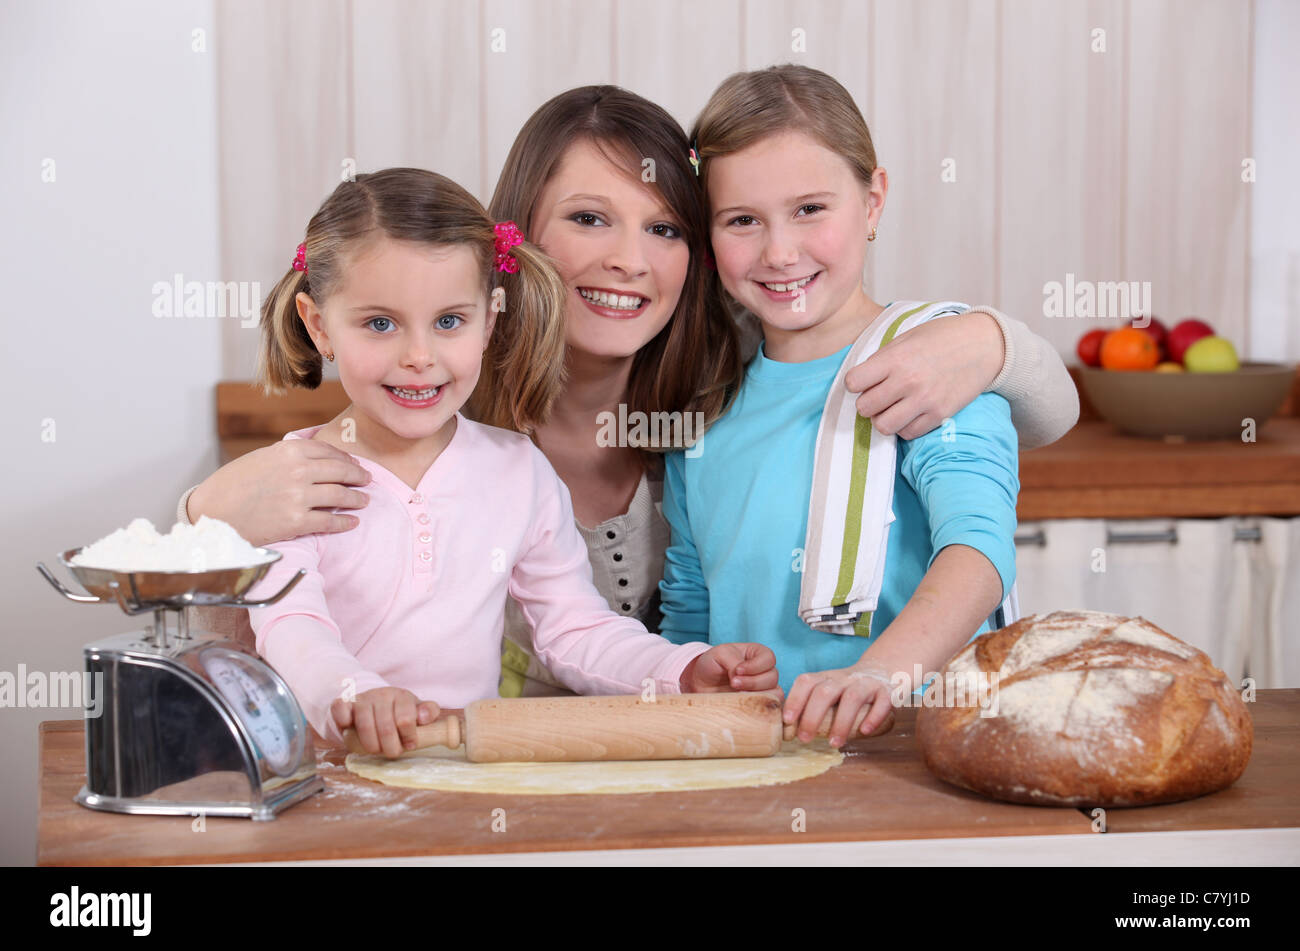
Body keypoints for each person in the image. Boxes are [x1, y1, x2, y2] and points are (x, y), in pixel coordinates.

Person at [177, 85, 1077, 703]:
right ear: (514, 241)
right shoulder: (422, 404)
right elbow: (235, 652)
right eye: (588, 219)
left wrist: (989, 337)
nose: (630, 261)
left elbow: (1035, 426)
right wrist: (200, 513)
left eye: (665, 228)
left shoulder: (720, 405)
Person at [241, 167, 776, 755]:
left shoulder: (517, 471)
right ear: (319, 326)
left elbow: (574, 632)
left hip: (463, 775)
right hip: (328, 781)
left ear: (489, 321)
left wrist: (680, 671)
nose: (419, 357)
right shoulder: (289, 483)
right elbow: (291, 626)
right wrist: (356, 694)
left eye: (449, 322)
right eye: (379, 323)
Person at [659, 65, 1023, 748]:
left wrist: (877, 676)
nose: (780, 251)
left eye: (810, 209)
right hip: (757, 758)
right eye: (742, 220)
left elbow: (978, 552)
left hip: (920, 750)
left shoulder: (933, 364)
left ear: (873, 200)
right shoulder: (706, 401)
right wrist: (690, 676)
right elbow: (689, 605)